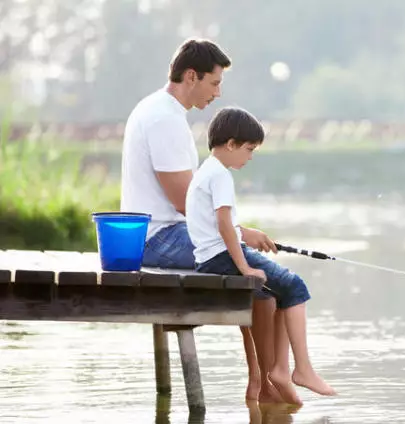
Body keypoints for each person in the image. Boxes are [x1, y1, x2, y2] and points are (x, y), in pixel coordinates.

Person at [119, 38, 294, 403]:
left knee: (255, 271)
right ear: (191, 75)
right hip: (159, 239)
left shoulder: (161, 111)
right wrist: (240, 234)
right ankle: (262, 386)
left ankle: (263, 382)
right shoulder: (164, 119)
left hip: (165, 233)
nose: (217, 93)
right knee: (264, 279)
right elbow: (185, 202)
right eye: (214, 83)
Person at [186, 106, 336, 399]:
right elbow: (225, 226)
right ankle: (302, 369)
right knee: (295, 286)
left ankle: (280, 369)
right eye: (249, 149)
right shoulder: (220, 176)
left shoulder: (206, 171)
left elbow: (222, 225)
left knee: (278, 292)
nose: (250, 156)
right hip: (222, 257)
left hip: (209, 258)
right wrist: (244, 267)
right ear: (230, 144)